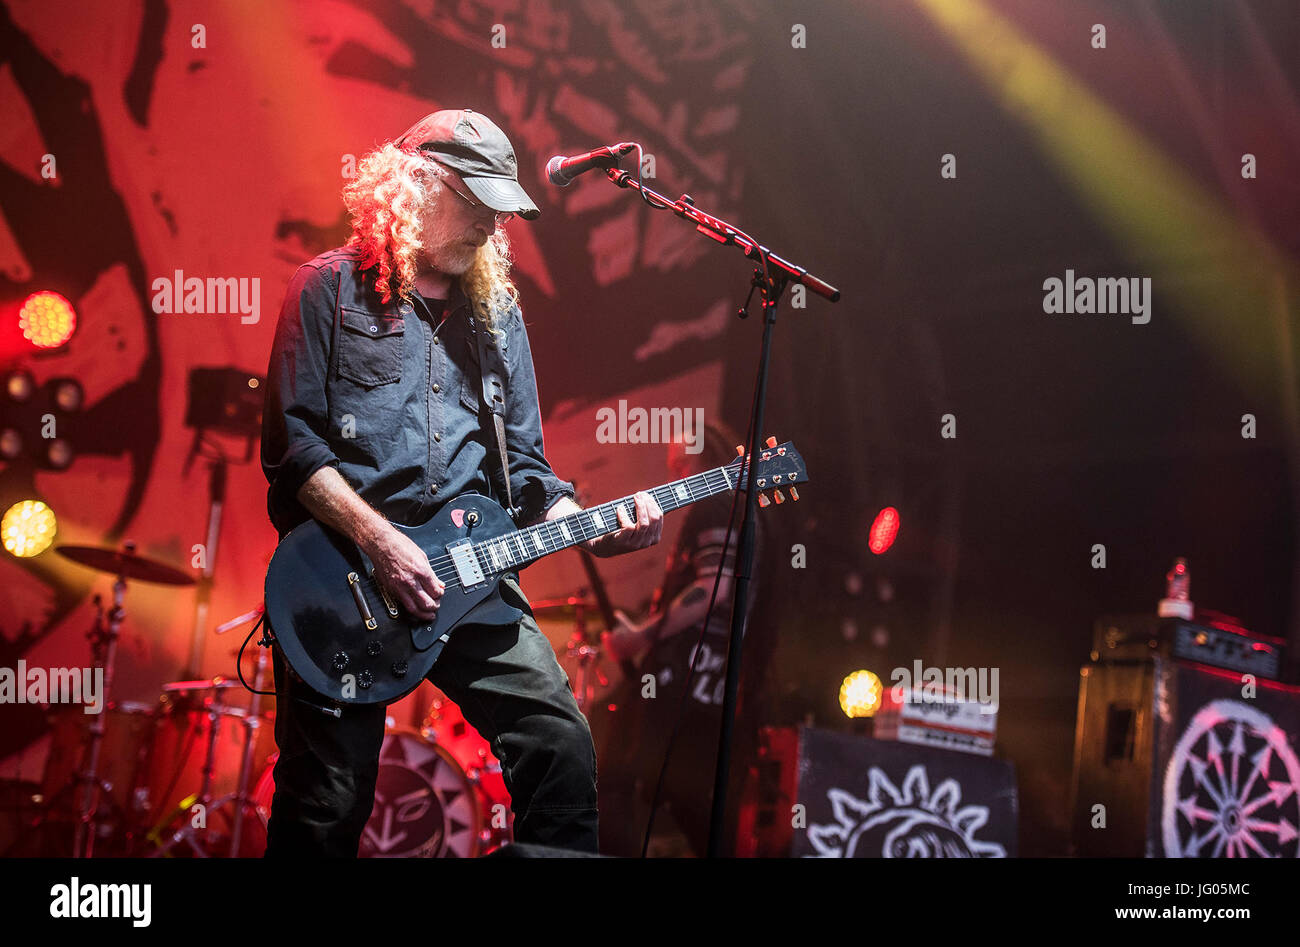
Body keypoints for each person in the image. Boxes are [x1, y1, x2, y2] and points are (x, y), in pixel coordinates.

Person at [259, 108, 662, 856]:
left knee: (560, 747)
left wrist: (591, 525)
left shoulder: (497, 317)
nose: (489, 224)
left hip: (472, 578)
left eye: (498, 209)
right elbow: (294, 451)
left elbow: (529, 472)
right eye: (475, 201)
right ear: (413, 183)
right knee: (327, 802)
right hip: (345, 580)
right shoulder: (326, 290)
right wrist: (382, 543)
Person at [597, 422, 764, 856]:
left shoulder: (716, 506)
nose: (676, 477)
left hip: (681, 682)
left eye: (683, 465)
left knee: (614, 778)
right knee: (688, 803)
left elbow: (712, 588)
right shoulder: (739, 511)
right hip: (712, 688)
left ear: (707, 459)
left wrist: (641, 637)